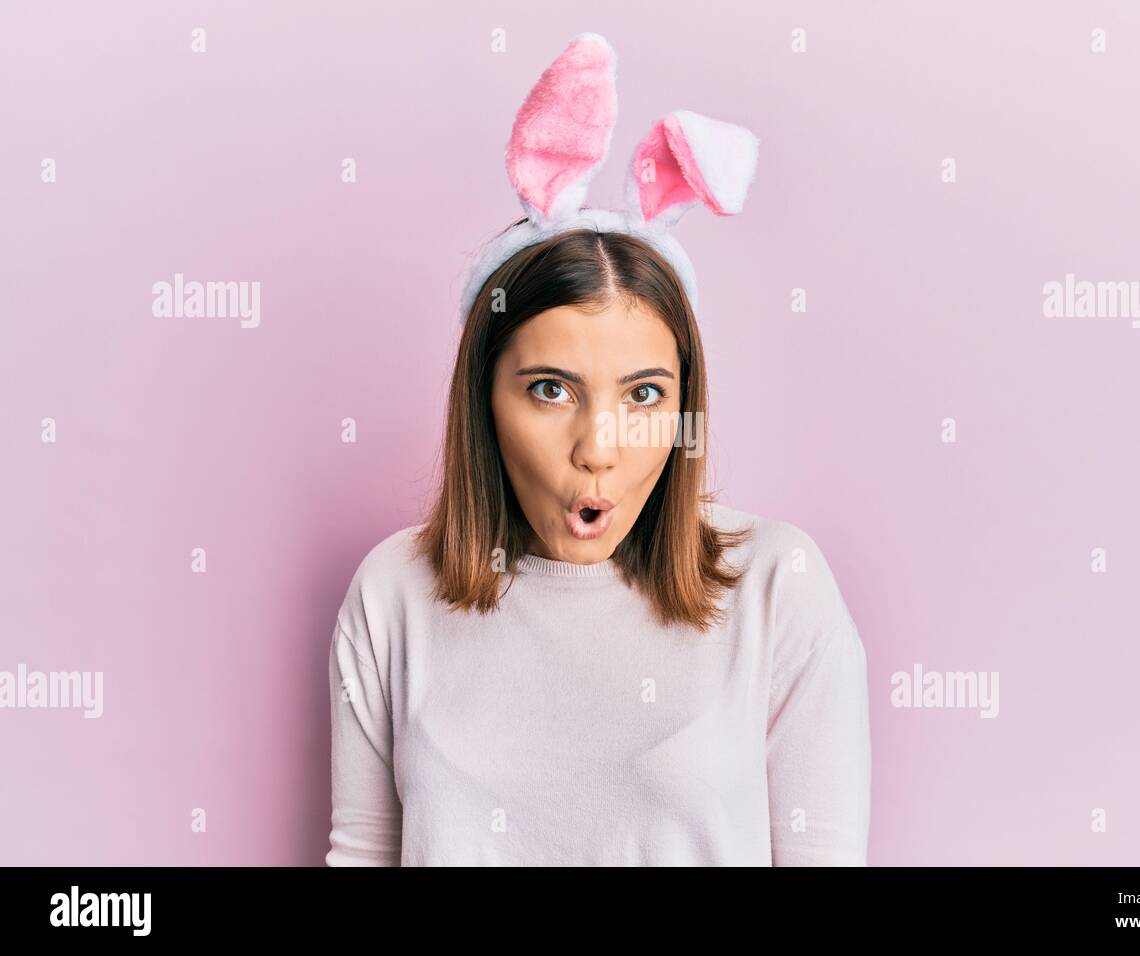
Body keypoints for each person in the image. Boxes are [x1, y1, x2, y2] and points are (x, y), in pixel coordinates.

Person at [326, 33, 870, 867]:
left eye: (644, 394)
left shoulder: (777, 591)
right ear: (484, 397)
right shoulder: (393, 597)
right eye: (551, 389)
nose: (599, 450)